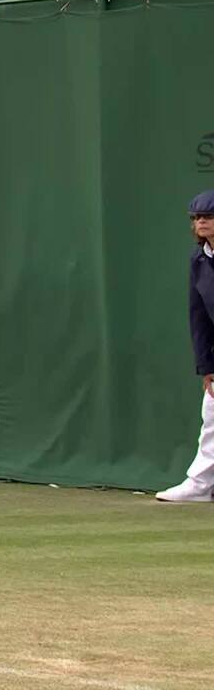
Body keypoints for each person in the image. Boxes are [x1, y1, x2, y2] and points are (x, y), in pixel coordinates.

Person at [158, 191, 214, 502]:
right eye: (196, 217)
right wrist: (206, 366)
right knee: (212, 415)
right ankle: (201, 485)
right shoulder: (199, 260)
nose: (201, 221)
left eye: (208, 216)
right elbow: (199, 315)